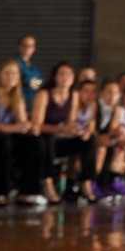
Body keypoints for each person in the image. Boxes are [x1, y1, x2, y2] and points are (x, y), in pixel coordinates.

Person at [0, 60, 46, 207]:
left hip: (6, 137)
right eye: (6, 73)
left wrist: (30, 128)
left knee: (35, 142)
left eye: (14, 73)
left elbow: (21, 121)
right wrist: (14, 128)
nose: (10, 76)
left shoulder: (17, 97)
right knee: (2, 141)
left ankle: (27, 192)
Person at [30, 61, 82, 204]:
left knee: (89, 140)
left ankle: (84, 184)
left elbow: (70, 122)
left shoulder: (74, 95)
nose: (65, 77)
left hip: (61, 137)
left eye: (68, 74)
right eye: (61, 74)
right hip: (44, 137)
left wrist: (76, 130)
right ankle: (47, 181)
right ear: (54, 77)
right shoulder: (44, 94)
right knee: (48, 138)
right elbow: (37, 124)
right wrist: (60, 129)